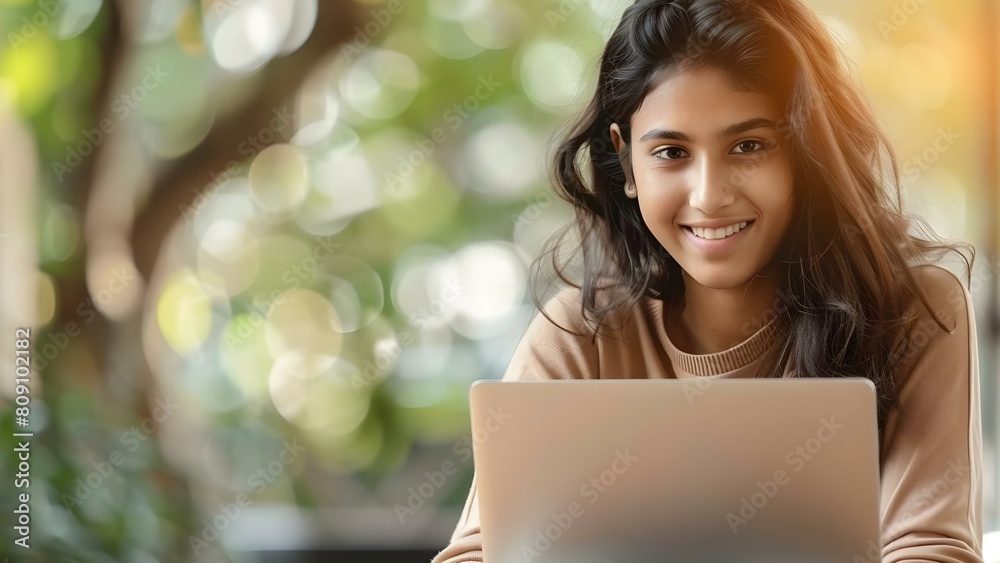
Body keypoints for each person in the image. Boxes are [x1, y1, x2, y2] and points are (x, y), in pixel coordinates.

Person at [431, 0, 983, 561]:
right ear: (625, 163)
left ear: (804, 150)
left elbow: (929, 548)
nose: (709, 195)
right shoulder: (581, 335)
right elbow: (480, 552)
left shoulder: (913, 313)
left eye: (748, 146)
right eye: (671, 152)